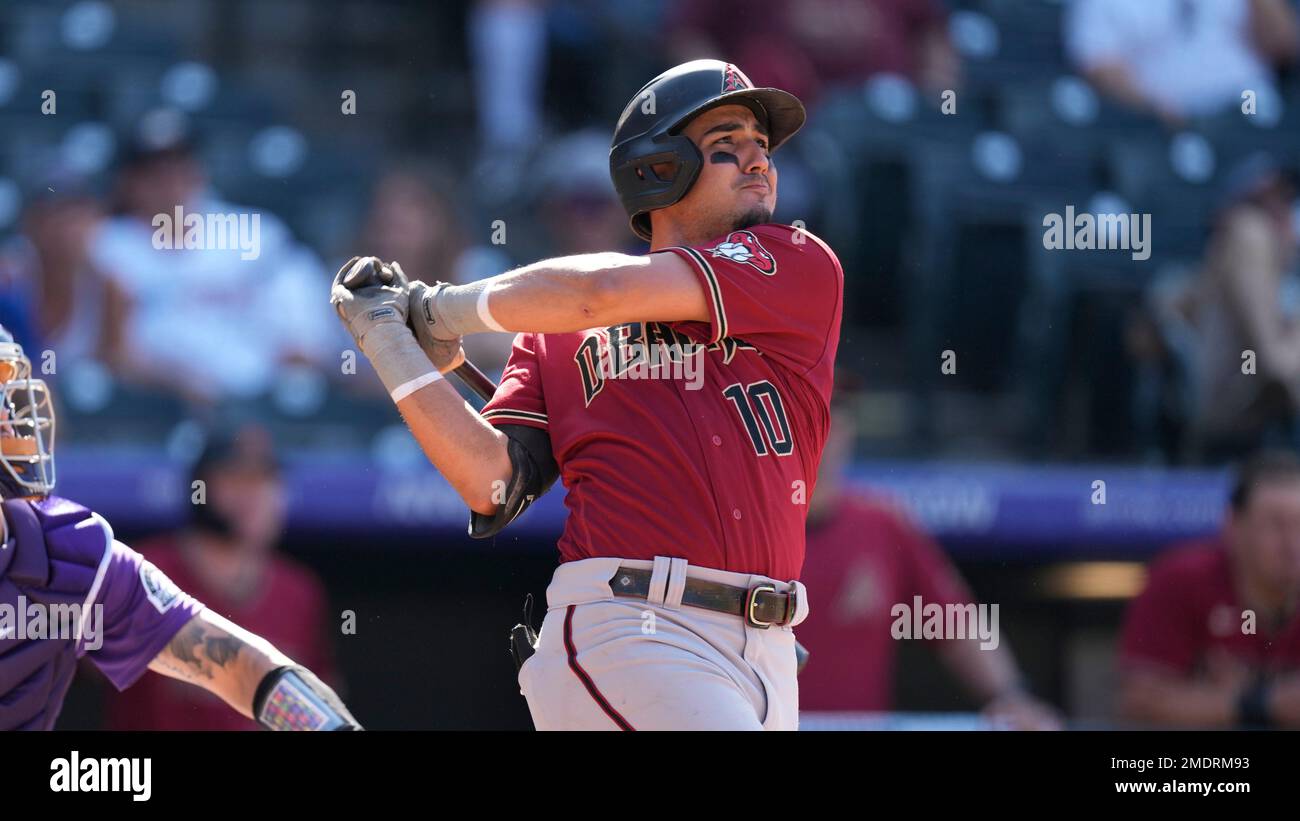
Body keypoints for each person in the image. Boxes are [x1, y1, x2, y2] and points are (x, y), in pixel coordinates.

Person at [333, 60, 842, 730]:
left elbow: (596, 293)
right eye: (727, 147)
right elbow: (491, 484)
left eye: (763, 148)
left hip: (769, 650)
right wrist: (389, 342)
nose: (759, 163)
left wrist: (434, 308)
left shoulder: (795, 262)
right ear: (658, 168)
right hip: (633, 629)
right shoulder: (553, 328)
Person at [0, 326, 359, 731]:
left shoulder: (64, 551)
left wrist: (325, 726)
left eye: (10, 406)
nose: (13, 429)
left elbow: (243, 668)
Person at [797, 370, 1060, 729]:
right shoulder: (748, 524)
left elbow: (957, 624)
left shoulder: (882, 524)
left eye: (837, 413)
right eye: (814, 412)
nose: (826, 431)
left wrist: (1009, 696)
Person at [103, 426, 338, 730]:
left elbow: (318, 707)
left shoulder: (300, 592)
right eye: (236, 479)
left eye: (266, 481)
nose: (255, 495)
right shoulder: (142, 571)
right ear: (200, 486)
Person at [1118, 450, 1300, 728]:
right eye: (1275, 525)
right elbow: (1137, 702)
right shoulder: (1181, 579)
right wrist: (1261, 704)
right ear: (1234, 526)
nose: (1291, 546)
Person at [1066, 0, 1298, 124]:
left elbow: (1283, 44)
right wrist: (1160, 114)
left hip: (1257, 112)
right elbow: (1101, 67)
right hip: (1176, 126)